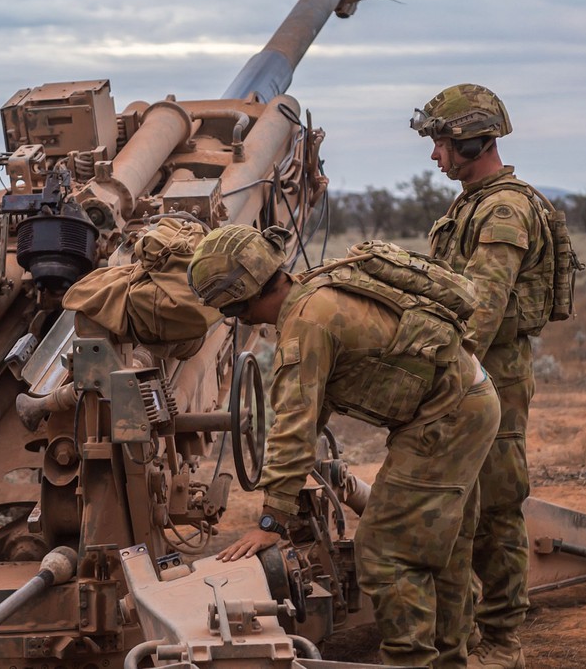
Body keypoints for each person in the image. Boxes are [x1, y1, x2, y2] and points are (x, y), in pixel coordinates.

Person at [191, 224, 500, 668]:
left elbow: (294, 425)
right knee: (443, 545)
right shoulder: (316, 289)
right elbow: (310, 412)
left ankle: (411, 661)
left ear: (238, 303)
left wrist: (270, 520)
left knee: (386, 548)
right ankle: (452, 656)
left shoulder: (304, 325)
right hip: (468, 396)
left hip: (448, 414)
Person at [414, 83, 557, 669]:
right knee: (459, 507)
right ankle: (465, 629)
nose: (435, 155)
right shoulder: (471, 203)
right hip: (466, 378)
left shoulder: (503, 209)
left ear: (475, 139)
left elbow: (481, 309)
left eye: (443, 142)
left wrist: (431, 370)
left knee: (495, 510)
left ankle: (500, 643)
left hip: (488, 381)